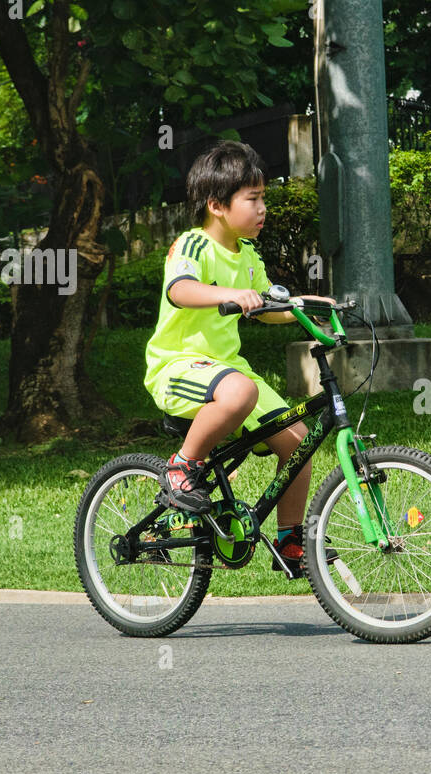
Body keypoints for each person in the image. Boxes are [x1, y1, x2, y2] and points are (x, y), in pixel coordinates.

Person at [142, 139, 334, 574]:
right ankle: (181, 468)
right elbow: (181, 290)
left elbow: (268, 308)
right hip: (177, 365)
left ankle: (289, 542)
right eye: (253, 199)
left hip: (229, 373)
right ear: (217, 205)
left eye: (264, 197)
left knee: (298, 442)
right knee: (240, 391)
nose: (263, 207)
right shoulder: (193, 245)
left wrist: (310, 305)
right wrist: (231, 294)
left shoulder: (247, 254)